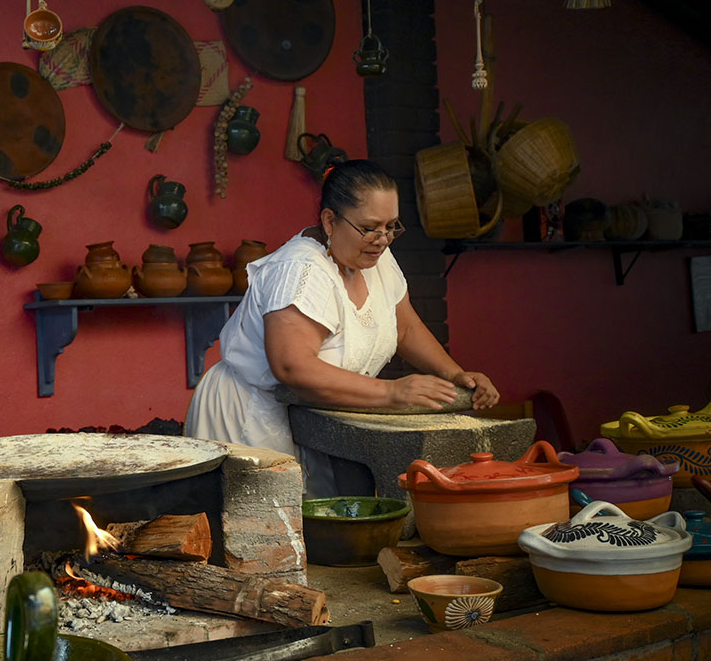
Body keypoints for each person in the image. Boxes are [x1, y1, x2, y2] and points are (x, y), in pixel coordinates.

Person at [185, 158, 499, 495]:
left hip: (312, 419)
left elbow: (405, 328)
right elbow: (293, 366)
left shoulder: (374, 257)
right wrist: (393, 392)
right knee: (262, 535)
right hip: (250, 420)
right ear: (330, 220)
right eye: (369, 227)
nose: (383, 239)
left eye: (392, 226)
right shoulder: (301, 272)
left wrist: (455, 375)